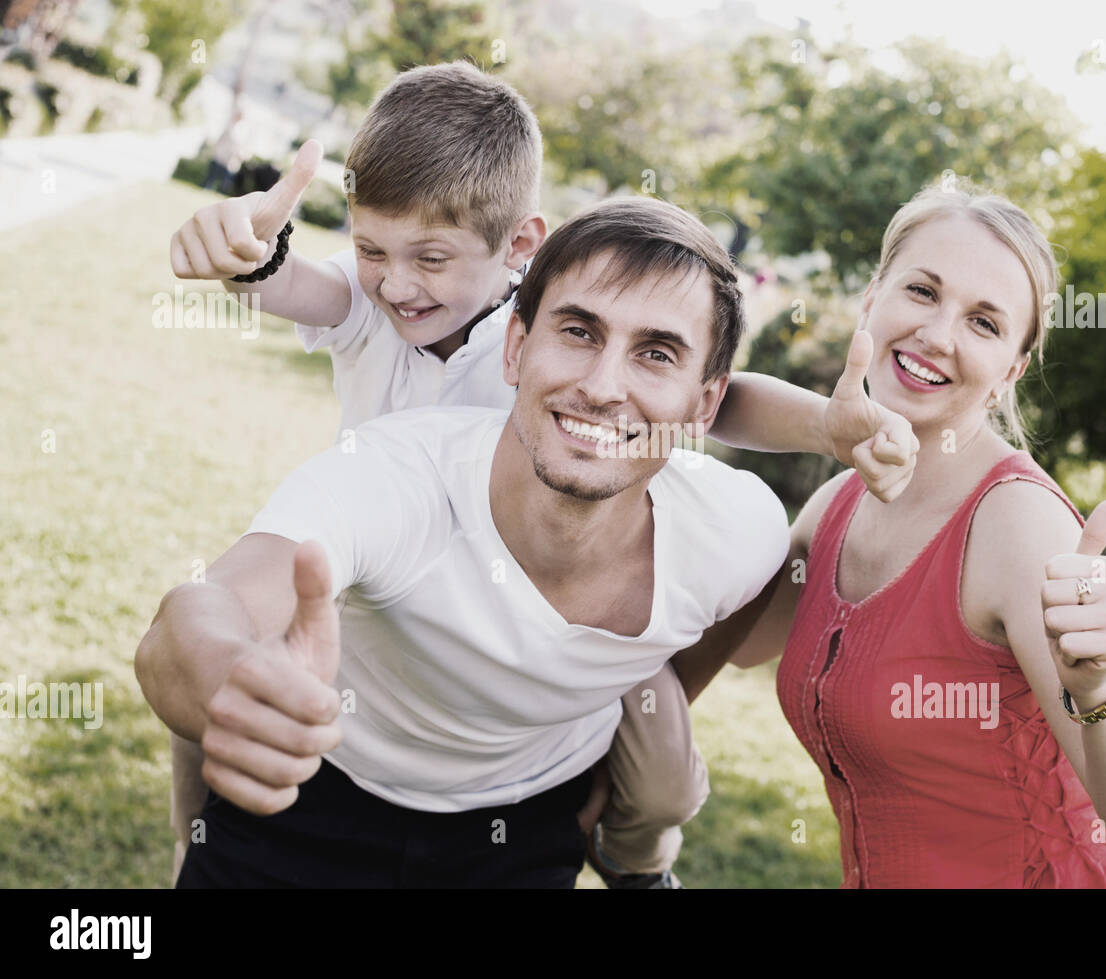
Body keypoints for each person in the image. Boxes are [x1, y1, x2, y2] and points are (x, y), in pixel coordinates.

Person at [165, 62, 917, 888]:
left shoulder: (542, 327)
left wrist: (826, 427)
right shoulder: (378, 314)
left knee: (663, 775)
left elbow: (718, 398)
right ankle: (189, 838)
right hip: (389, 580)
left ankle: (638, 864)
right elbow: (299, 285)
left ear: (516, 249)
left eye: (431, 257)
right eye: (373, 249)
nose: (398, 282)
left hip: (558, 646)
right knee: (231, 674)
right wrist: (249, 256)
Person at [728, 181, 1106, 887]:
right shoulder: (834, 506)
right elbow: (738, 642)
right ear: (871, 300)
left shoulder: (1017, 524)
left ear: (1009, 371)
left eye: (983, 322)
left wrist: (1100, 686)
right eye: (921, 291)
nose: (938, 335)